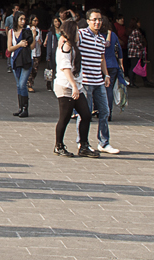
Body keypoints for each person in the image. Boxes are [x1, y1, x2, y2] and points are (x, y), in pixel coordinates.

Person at [78, 9, 121, 154]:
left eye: (99, 19)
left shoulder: (101, 38)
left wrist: (106, 75)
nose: (97, 22)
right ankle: (81, 142)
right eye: (94, 19)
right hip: (85, 80)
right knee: (85, 113)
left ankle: (104, 142)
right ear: (88, 21)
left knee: (105, 111)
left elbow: (102, 58)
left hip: (98, 80)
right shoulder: (81, 34)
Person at [53, 15, 91, 157]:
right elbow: (65, 68)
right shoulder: (66, 46)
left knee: (86, 115)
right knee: (65, 117)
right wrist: (74, 86)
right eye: (76, 31)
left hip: (76, 86)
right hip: (66, 86)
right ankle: (59, 145)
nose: (78, 34)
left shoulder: (72, 45)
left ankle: (84, 145)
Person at [9, 13, 36, 118]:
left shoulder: (27, 31)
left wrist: (34, 36)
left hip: (26, 60)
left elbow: (32, 47)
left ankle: (25, 109)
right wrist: (19, 45)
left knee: (22, 84)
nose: (23, 21)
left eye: (24, 19)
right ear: (16, 20)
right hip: (15, 59)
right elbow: (9, 48)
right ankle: (20, 108)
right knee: (18, 85)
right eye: (21, 19)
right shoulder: (11, 32)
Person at [125, 23, 147, 87]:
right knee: (134, 66)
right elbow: (138, 41)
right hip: (135, 52)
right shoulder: (136, 31)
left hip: (131, 51)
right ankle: (132, 82)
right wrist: (142, 47)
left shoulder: (130, 31)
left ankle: (133, 81)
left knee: (133, 66)